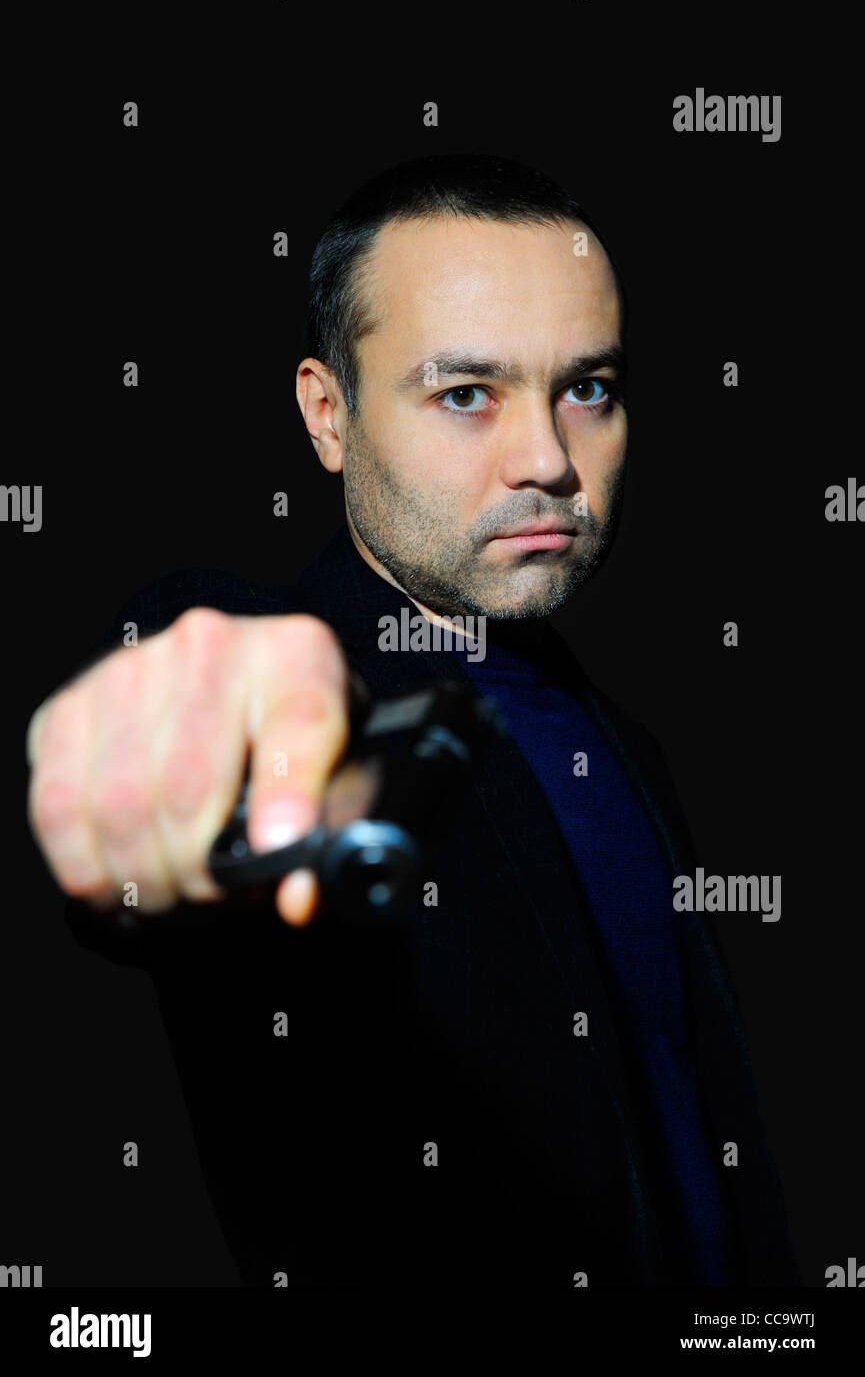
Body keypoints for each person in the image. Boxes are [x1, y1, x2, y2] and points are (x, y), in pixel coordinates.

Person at [25, 154, 800, 1288]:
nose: (547, 459)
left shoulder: (626, 747)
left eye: (586, 388)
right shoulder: (304, 690)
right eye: (465, 394)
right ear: (326, 415)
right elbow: (214, 716)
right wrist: (185, 728)